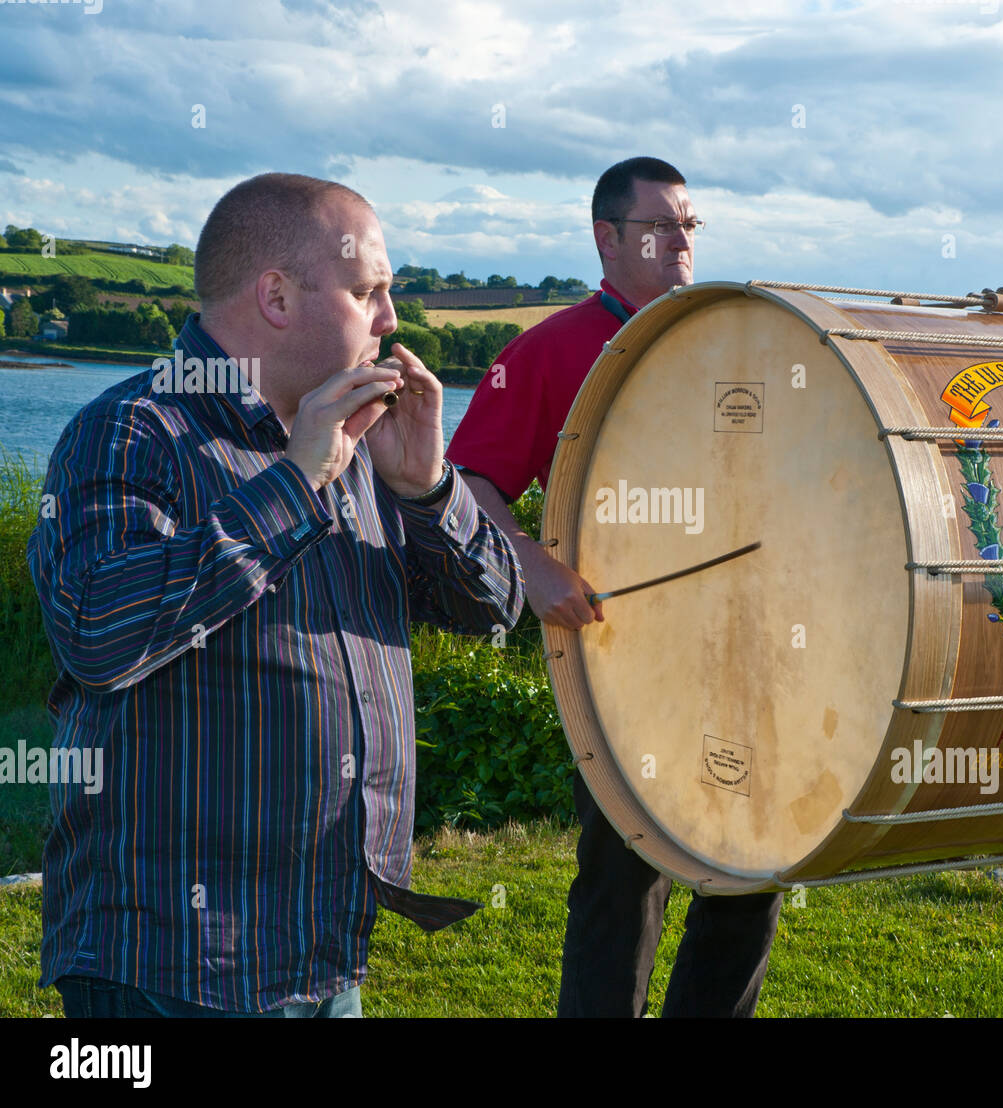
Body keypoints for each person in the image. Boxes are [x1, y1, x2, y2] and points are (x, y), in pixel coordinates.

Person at [27, 172, 524, 1018]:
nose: (392, 321)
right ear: (278, 296)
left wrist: (429, 489)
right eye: (370, 291)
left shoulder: (359, 441)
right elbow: (96, 632)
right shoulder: (136, 429)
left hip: (320, 949)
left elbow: (493, 613)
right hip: (170, 962)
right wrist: (296, 481)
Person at [447, 156, 783, 1017]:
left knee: (750, 864)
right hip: (620, 662)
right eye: (662, 224)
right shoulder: (549, 350)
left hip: (746, 653)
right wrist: (532, 566)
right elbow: (468, 481)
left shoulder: (733, 340)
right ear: (609, 237)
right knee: (621, 877)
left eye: (690, 224)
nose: (681, 239)